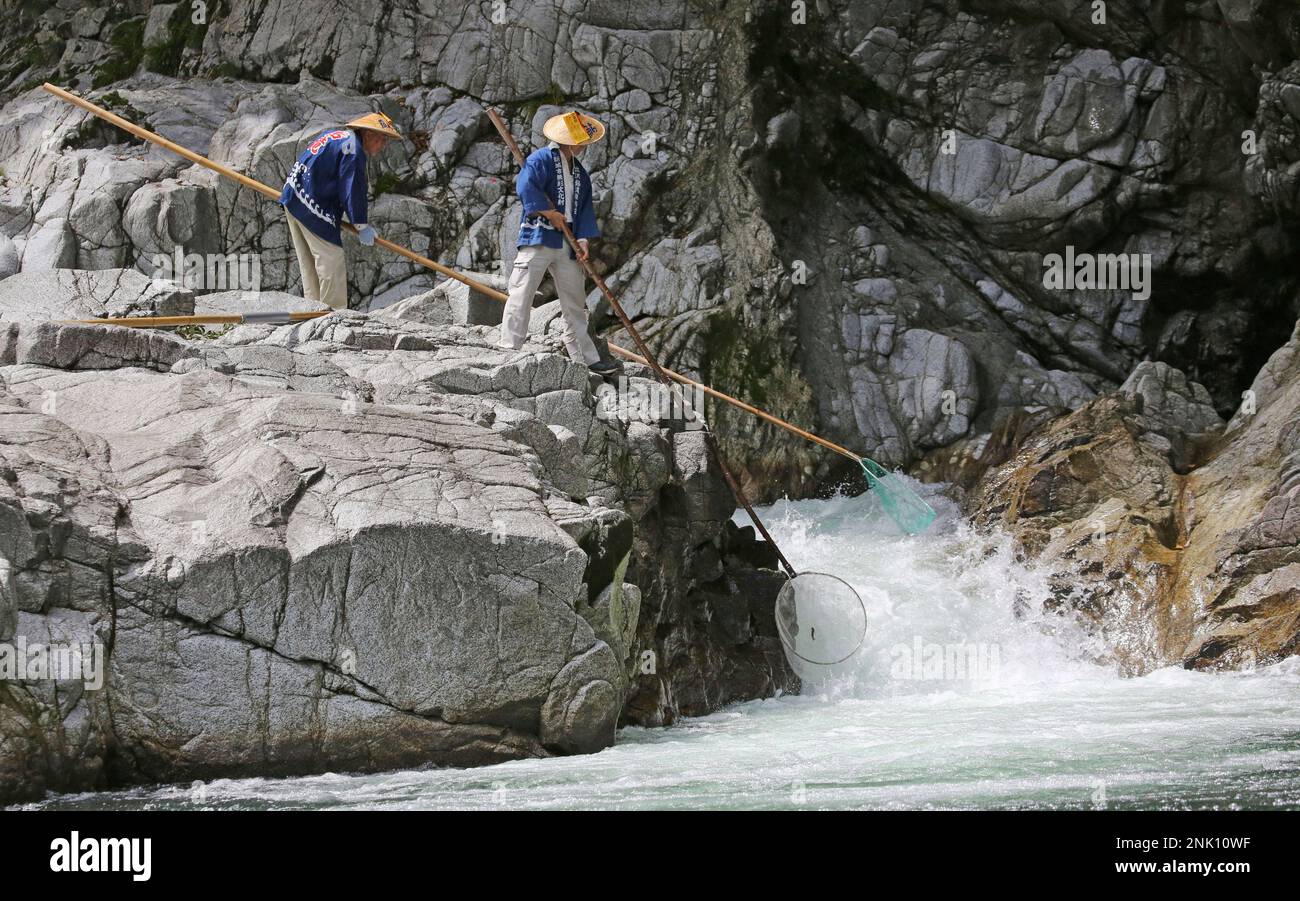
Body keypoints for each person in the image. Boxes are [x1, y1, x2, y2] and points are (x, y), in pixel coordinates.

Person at [498, 110, 621, 375]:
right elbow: (525, 186)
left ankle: (585, 357)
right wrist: (548, 212)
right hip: (539, 236)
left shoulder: (580, 173)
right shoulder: (541, 159)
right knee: (522, 292)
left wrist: (584, 238)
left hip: (568, 244)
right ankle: (509, 347)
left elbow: (584, 209)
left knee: (575, 301)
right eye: (580, 141)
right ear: (569, 140)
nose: (584, 146)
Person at [279, 112, 401, 310]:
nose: (383, 145)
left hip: (293, 194)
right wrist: (361, 225)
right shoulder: (353, 151)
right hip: (311, 205)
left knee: (309, 264)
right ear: (368, 134)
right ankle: (332, 314)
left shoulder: (336, 136)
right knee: (331, 261)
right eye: (382, 138)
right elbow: (352, 190)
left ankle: (312, 310)